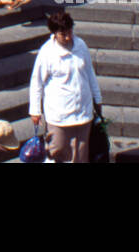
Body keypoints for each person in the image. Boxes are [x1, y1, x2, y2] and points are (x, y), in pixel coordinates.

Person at [29, 10, 102, 163]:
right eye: (63, 34)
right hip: (59, 116)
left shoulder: (81, 45)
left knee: (81, 155)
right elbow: (37, 83)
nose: (68, 37)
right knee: (58, 153)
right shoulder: (47, 52)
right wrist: (35, 111)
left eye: (70, 32)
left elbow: (90, 73)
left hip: (83, 112)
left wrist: (98, 98)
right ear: (54, 33)